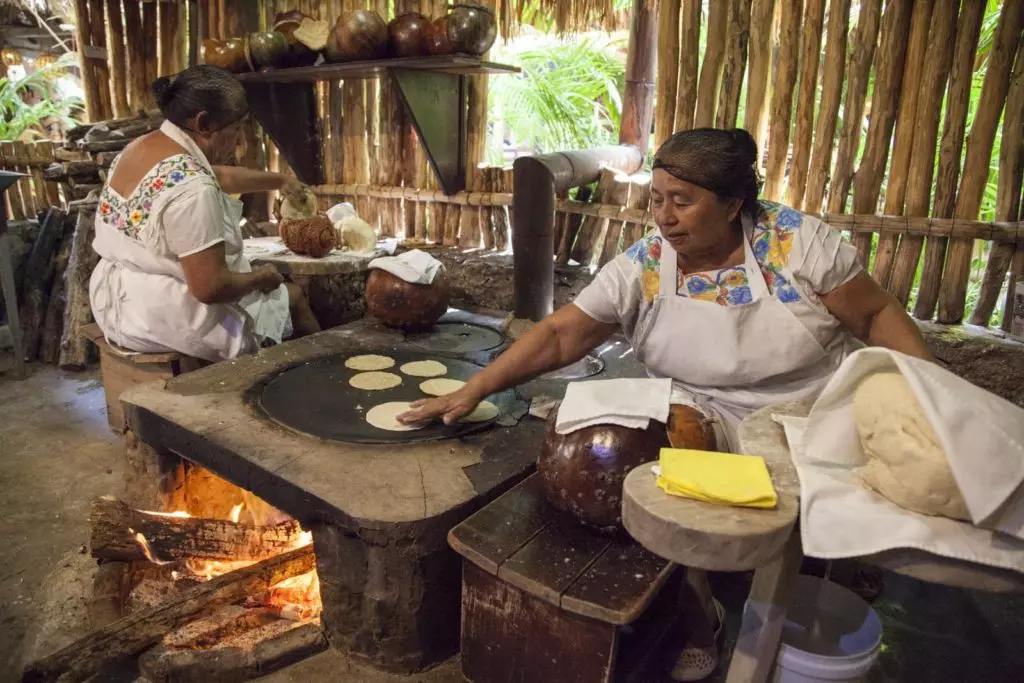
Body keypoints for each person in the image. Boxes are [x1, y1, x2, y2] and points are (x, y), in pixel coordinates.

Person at [400, 128, 934, 680]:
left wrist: (930, 391)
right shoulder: (650, 261)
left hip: (805, 409)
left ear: (732, 205)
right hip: (698, 405)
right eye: (656, 199)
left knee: (818, 525)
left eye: (682, 201)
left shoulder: (795, 244)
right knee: (647, 486)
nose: (663, 216)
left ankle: (835, 564)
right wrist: (476, 386)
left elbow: (874, 316)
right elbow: (564, 333)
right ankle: (703, 619)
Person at [89, 65, 321, 363]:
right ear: (205, 124)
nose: (240, 140)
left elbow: (215, 175)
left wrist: (279, 180)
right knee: (292, 299)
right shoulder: (193, 189)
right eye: (237, 127)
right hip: (163, 315)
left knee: (274, 296)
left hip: (113, 298)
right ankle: (306, 376)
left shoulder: (143, 147)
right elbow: (211, 287)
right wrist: (262, 277)